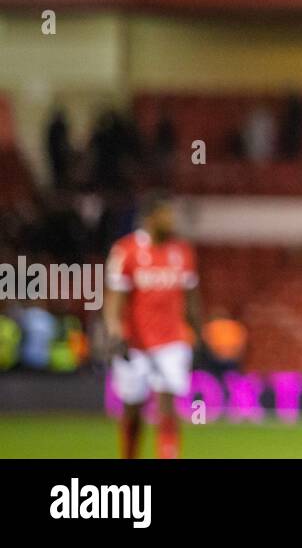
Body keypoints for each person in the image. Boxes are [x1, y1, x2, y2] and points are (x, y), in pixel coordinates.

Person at [104, 193, 201, 459]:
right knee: (133, 409)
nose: (171, 220)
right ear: (150, 218)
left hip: (172, 340)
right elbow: (115, 299)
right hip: (135, 342)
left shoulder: (181, 252)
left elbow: (191, 298)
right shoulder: (126, 250)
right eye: (166, 214)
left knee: (167, 405)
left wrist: (198, 334)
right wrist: (114, 330)